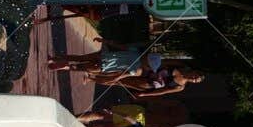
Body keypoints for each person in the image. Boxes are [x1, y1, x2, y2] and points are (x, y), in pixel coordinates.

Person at [48, 49, 204, 98]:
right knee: (116, 72)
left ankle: (91, 78)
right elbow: (161, 62)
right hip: (146, 69)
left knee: (118, 81)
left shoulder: (180, 87)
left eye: (196, 81)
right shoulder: (180, 65)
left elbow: (162, 92)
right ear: (194, 71)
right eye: (196, 75)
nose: (194, 78)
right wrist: (148, 63)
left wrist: (144, 95)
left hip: (148, 83)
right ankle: (60, 60)